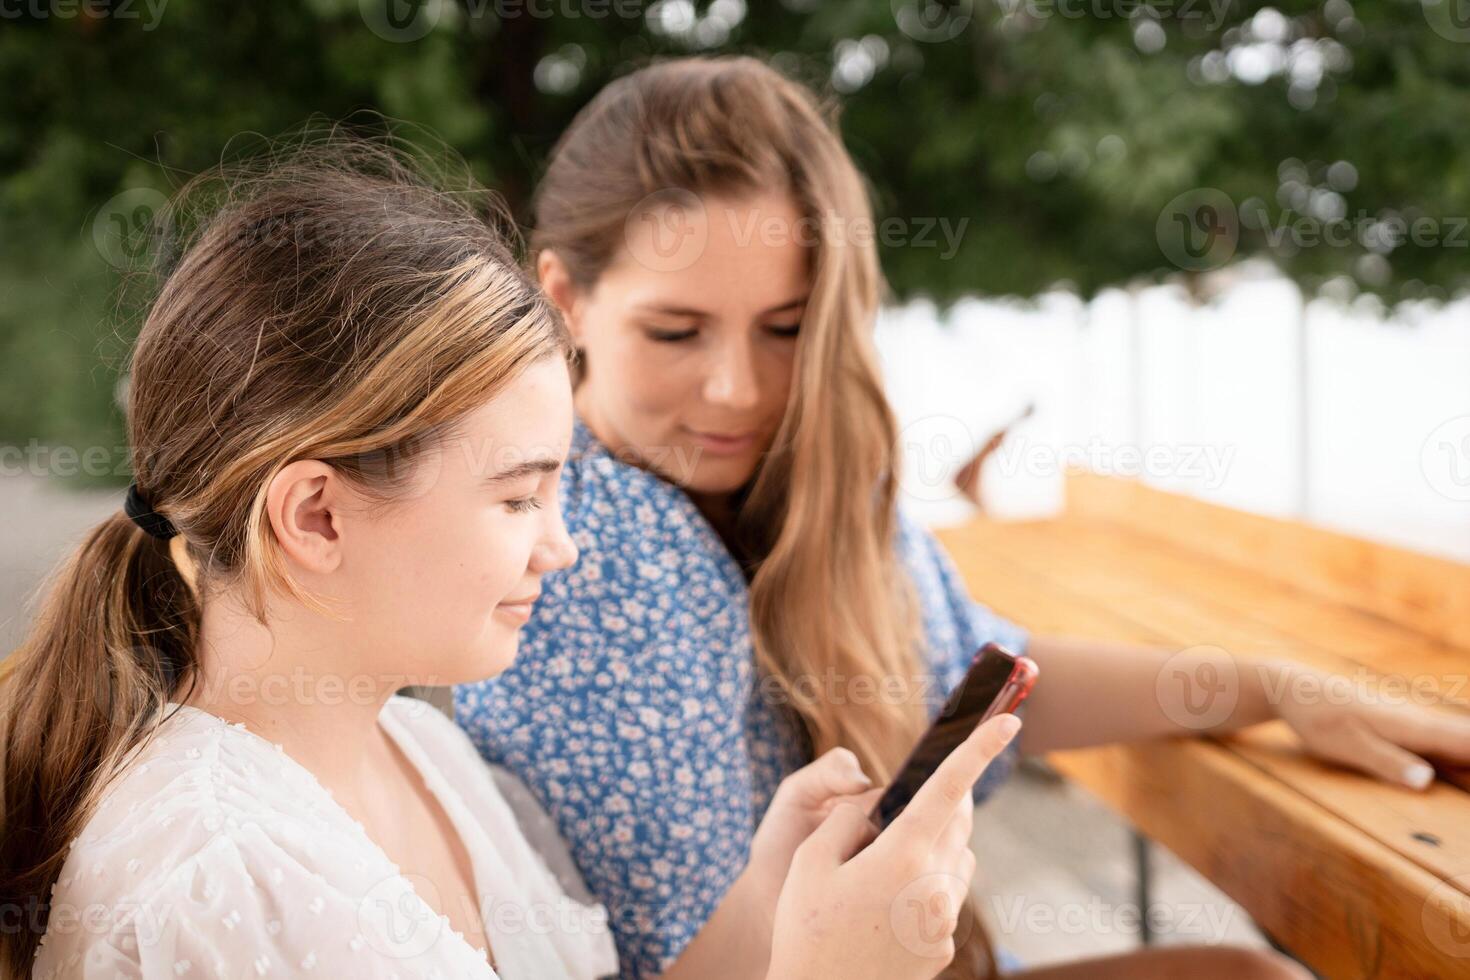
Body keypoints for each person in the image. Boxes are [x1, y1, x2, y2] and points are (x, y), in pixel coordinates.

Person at [455, 55, 1468, 980]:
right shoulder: (581, 554)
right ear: (567, 300)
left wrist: (1273, 684)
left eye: (789, 327)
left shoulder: (809, 483)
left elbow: (991, 681)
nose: (737, 389)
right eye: (675, 331)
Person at [0, 135, 1012, 980]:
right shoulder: (217, 881)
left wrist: (768, 900)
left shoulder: (421, 750)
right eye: (520, 494)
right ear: (315, 516)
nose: (561, 543)